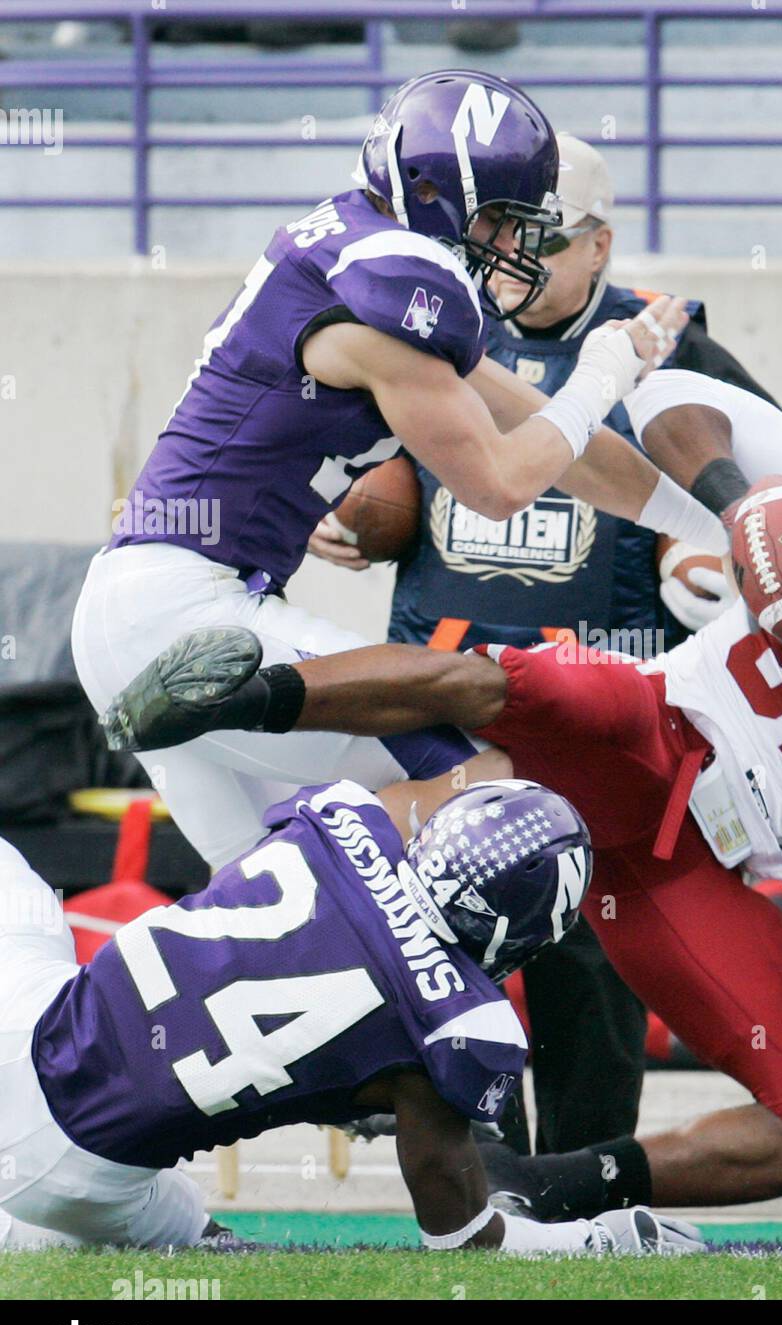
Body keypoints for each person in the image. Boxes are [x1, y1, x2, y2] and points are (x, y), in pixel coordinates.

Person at [101, 377, 782, 1216]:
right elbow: (666, 401)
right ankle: (249, 688)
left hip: (702, 860)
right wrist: (749, 500)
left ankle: (557, 1188)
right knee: (499, 681)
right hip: (654, 727)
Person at [71, 69, 721, 873]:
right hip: (192, 623)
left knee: (275, 896)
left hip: (138, 615)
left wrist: (705, 527)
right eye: (502, 219)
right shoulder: (398, 289)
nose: (513, 246)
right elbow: (501, 485)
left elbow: (551, 436)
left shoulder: (360, 254)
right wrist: (598, 376)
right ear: (434, 191)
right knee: (493, 787)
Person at [313, 135, 780, 1159]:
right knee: (437, 945)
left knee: (586, 950)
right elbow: (354, 451)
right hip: (441, 702)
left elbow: (771, 502)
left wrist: (708, 563)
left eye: (540, 237)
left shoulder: (666, 341)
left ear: (599, 244)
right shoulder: (434, 319)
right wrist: (342, 510)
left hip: (597, 706)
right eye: (501, 233)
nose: (511, 256)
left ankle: (576, 1182)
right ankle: (481, 1184)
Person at [0, 771, 701, 1254]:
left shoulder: (341, 813)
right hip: (72, 1170)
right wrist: (597, 1237)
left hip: (29, 1023)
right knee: (213, 1254)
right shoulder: (459, 1029)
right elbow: (462, 1238)